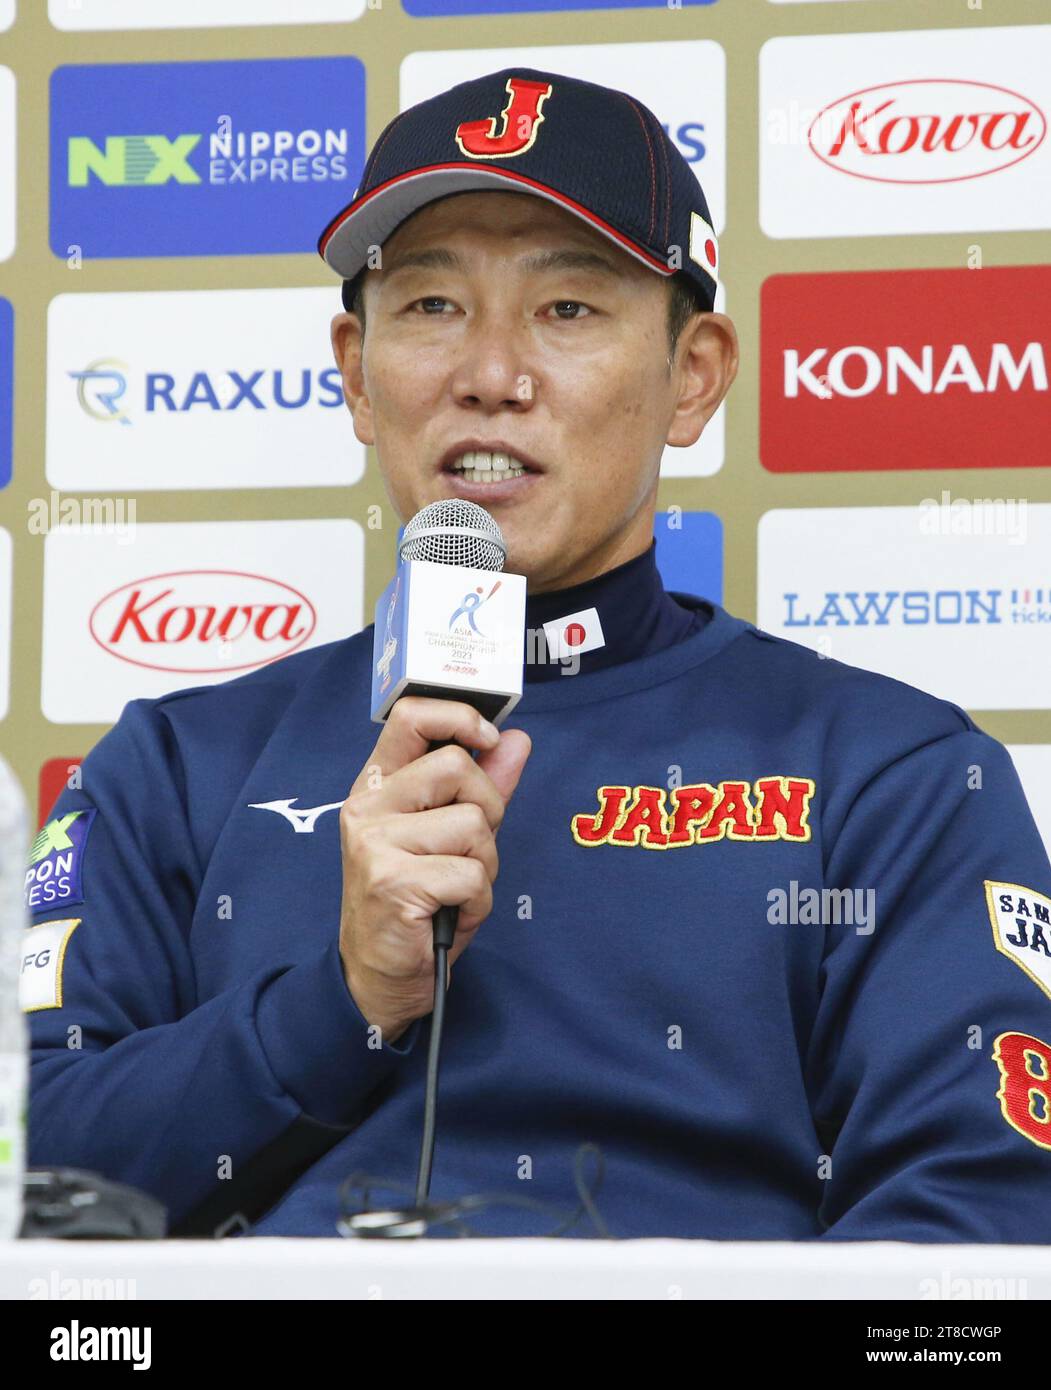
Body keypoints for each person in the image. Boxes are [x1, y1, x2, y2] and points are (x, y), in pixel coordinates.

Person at [23, 69, 1051, 1240]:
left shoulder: (888, 768)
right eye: (430, 308)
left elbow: (981, 1240)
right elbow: (36, 1190)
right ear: (356, 372)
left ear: (696, 374)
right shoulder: (177, 766)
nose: (491, 375)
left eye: (568, 309)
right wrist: (343, 998)